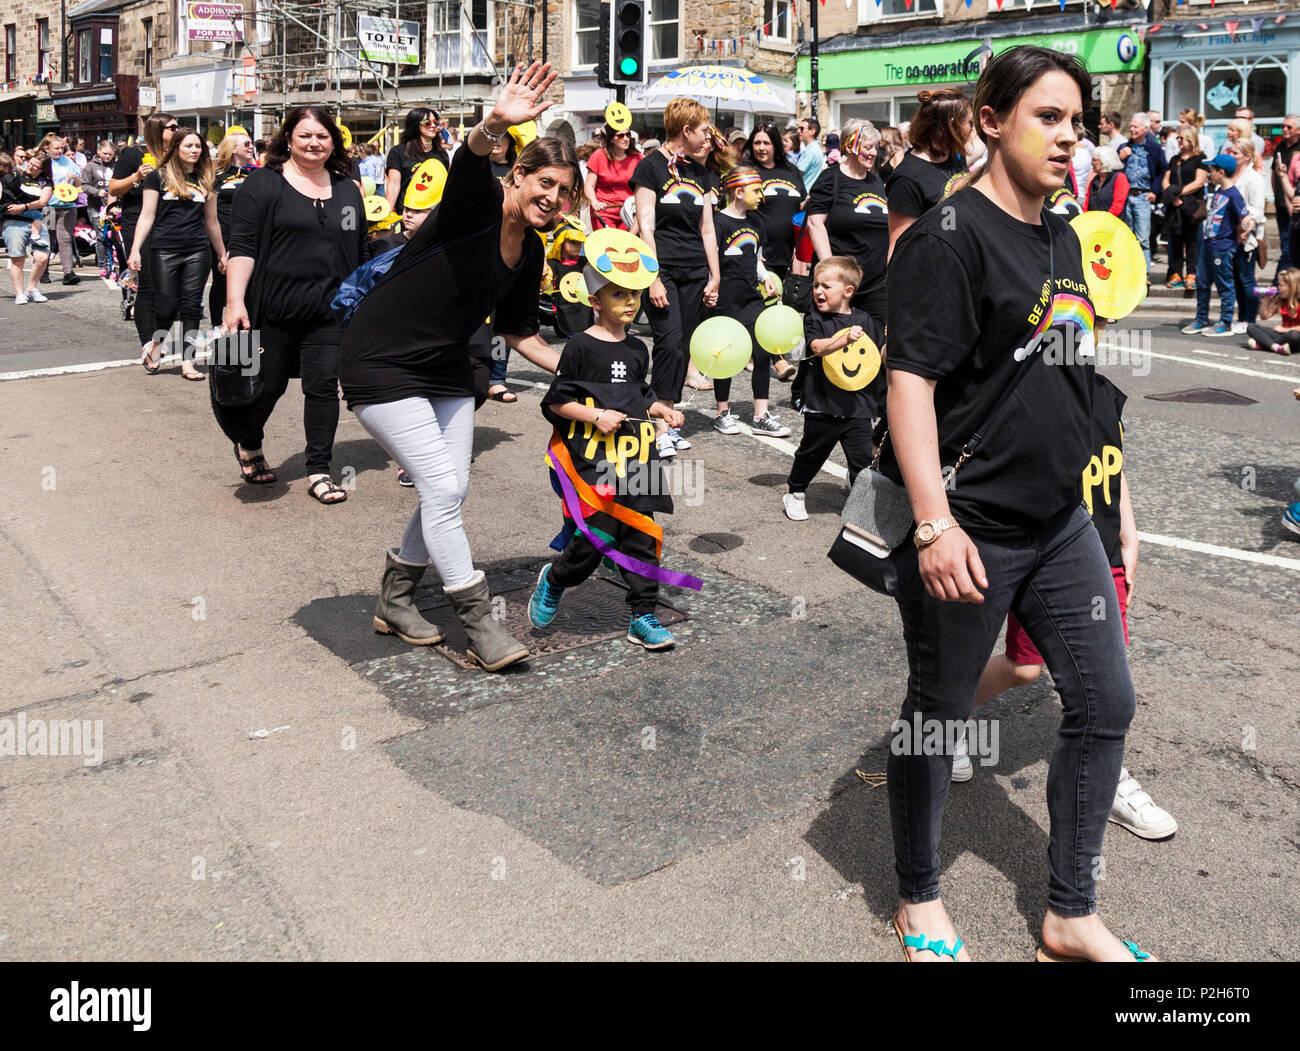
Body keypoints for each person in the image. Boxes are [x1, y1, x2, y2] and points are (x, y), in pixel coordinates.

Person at [881, 45, 1151, 963]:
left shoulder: (1065, 236)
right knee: (940, 708)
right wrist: (933, 523)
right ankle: (917, 892)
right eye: (1049, 116)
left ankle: (1070, 914)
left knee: (1105, 699)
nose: (1069, 137)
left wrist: (1114, 505)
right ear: (992, 120)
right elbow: (908, 383)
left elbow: (1078, 383)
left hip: (1064, 520)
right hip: (975, 526)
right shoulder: (946, 239)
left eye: (1078, 122)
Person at [338, 62, 573, 672]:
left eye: (565, 191)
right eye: (543, 181)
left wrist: (578, 367)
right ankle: (477, 619)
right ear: (517, 175)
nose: (552, 198)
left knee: (452, 488)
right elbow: (469, 163)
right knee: (441, 487)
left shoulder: (535, 250)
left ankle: (395, 599)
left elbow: (521, 331)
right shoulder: (476, 207)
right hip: (380, 358)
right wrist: (492, 122)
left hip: (445, 370)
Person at [957, 371, 1178, 840]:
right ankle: (945, 717)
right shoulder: (1031, 379)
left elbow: (1112, 457)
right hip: (1050, 547)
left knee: (1105, 687)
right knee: (1023, 668)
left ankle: (1109, 778)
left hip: (1104, 553)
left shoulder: (1101, 389)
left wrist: (1128, 530)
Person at [528, 234, 685, 650]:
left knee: (642, 538)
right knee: (595, 541)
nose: (631, 303)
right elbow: (558, 401)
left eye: (634, 294)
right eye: (619, 295)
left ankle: (643, 616)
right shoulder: (579, 346)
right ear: (595, 301)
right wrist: (595, 415)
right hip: (593, 460)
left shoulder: (638, 348)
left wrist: (661, 411)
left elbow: (639, 394)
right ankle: (556, 578)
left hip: (636, 458)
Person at [220, 106, 369, 500]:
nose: (314, 143)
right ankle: (249, 442)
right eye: (305, 135)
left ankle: (319, 470)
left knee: (322, 387)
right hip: (271, 308)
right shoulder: (263, 186)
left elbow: (360, 249)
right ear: (288, 139)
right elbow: (243, 246)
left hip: (328, 312)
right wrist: (234, 301)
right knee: (265, 387)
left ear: (333, 141)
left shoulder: (348, 190)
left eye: (322, 136)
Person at [631, 97, 720, 450]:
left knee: (683, 349)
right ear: (686, 131)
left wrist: (715, 276)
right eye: (703, 131)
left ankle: (667, 419)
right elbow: (646, 228)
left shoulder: (702, 173)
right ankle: (661, 425)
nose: (707, 137)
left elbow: (708, 230)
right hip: (662, 268)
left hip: (696, 271)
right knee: (667, 343)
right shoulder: (650, 168)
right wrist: (651, 277)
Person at [783, 255, 883, 523]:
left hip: (858, 404)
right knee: (812, 453)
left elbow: (877, 355)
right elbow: (817, 347)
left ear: (848, 291)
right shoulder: (815, 318)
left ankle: (861, 501)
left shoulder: (866, 320)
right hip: (823, 402)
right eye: (816, 285)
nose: (818, 291)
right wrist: (843, 338)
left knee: (863, 458)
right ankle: (796, 491)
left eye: (826, 286)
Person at [129, 128, 226, 379]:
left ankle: (188, 363)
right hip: (164, 249)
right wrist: (135, 249)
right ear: (176, 149)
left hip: (197, 250)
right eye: (189, 146)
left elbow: (212, 221)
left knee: (192, 307)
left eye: (198, 147)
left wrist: (222, 253)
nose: (194, 151)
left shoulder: (207, 179)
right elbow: (147, 215)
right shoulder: (157, 178)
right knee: (167, 307)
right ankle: (157, 346)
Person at [708, 166, 789, 438]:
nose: (761, 195)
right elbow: (711, 260)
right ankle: (722, 412)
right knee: (726, 356)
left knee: (763, 352)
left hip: (751, 298)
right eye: (756, 190)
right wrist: (711, 288)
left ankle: (760, 414)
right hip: (725, 300)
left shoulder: (756, 223)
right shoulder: (718, 223)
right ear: (738, 192)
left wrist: (765, 277)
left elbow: (756, 259)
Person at [806, 119, 890, 321]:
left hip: (875, 285)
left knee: (875, 345)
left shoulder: (876, 181)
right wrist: (831, 271)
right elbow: (815, 224)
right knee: (833, 345)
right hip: (838, 286)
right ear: (850, 147)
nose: (874, 153)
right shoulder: (830, 178)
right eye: (868, 147)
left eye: (876, 148)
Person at [109, 113, 178, 357]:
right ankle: (148, 342)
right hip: (138, 220)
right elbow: (114, 187)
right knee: (149, 282)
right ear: (157, 130)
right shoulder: (133, 154)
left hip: (170, 222)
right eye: (172, 127)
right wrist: (136, 176)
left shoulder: (176, 156)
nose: (176, 130)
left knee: (169, 285)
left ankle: (160, 337)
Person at [743, 121, 806, 383]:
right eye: (756, 142)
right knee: (768, 304)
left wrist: (799, 250)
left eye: (766, 142)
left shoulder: (792, 171)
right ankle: (776, 358)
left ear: (776, 145)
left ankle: (754, 351)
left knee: (775, 303)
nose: (761, 147)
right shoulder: (747, 172)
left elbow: (801, 208)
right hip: (758, 251)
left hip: (785, 252)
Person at [886, 89, 973, 255]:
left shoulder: (955, 157)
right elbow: (899, 247)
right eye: (969, 123)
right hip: (934, 274)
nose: (971, 128)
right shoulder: (907, 177)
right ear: (952, 124)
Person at [1181, 154, 1245, 338]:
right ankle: (1201, 318)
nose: (1209, 173)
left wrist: (1244, 231)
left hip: (1222, 247)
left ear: (1221, 172)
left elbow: (1244, 216)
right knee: (1202, 282)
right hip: (1208, 244)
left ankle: (1225, 322)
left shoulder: (1233, 194)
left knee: (1225, 284)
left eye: (1212, 170)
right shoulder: (1219, 191)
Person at [208, 129, 257, 327]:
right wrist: (220, 249)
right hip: (224, 235)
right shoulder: (216, 175)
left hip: (250, 236)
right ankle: (216, 327)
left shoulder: (256, 173)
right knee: (221, 284)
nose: (251, 146)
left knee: (250, 283)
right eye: (246, 144)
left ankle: (246, 325)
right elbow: (210, 214)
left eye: (251, 143)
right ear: (233, 148)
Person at [1225, 138, 1265, 335]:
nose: (1231, 156)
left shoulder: (1254, 179)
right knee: (1236, 279)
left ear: (1248, 156)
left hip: (1246, 237)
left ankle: (1250, 319)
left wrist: (1243, 223)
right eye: (1231, 152)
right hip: (1229, 236)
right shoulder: (1231, 175)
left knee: (1247, 279)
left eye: (1235, 153)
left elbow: (1257, 211)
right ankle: (1241, 317)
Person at [1, 151, 52, 303]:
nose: (31, 167)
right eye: (31, 163)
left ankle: (31, 289)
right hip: (14, 221)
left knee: (42, 257)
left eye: (36, 166)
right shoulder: (15, 174)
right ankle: (19, 293)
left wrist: (23, 207)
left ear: (42, 169)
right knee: (18, 259)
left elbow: (43, 202)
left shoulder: (46, 182)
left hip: (36, 219)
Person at [1117, 113, 1163, 280]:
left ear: (1145, 128)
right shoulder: (1124, 147)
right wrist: (1120, 158)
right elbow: (1114, 169)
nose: (1132, 129)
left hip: (1143, 196)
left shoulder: (1154, 148)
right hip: (1126, 196)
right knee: (1127, 236)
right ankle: (1129, 273)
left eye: (1135, 127)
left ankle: (1144, 274)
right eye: (1131, 126)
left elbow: (1162, 171)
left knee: (1143, 237)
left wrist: (1155, 191)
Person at [1161, 129, 1206, 290]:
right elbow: (1165, 180)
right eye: (1178, 138)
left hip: (1190, 205)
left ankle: (1192, 274)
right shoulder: (1174, 159)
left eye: (1182, 138)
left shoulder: (1200, 159)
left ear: (1191, 140)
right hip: (1174, 205)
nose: (1179, 141)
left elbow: (1199, 182)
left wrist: (1178, 193)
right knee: (1175, 240)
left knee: (1192, 241)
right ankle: (1176, 272)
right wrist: (1172, 196)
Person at [385, 107, 449, 214]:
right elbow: (394, 184)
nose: (433, 126)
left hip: (434, 214)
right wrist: (386, 215)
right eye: (428, 122)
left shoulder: (441, 153)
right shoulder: (398, 152)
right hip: (409, 213)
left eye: (435, 122)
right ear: (415, 125)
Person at [585, 121, 640, 230]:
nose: (626, 138)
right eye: (620, 136)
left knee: (625, 245)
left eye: (628, 134)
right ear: (611, 139)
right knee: (608, 245)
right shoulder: (598, 156)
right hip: (604, 212)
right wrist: (594, 202)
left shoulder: (637, 157)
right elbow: (588, 186)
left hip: (629, 210)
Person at [42, 135, 82, 284]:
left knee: (65, 239)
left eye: (61, 148)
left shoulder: (69, 162)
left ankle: (68, 273)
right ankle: (42, 270)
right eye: (56, 148)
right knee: (48, 239)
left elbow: (79, 184)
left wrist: (74, 178)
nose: (59, 151)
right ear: (47, 149)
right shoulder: (44, 163)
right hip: (49, 207)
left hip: (67, 207)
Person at [81, 140, 116, 278]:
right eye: (105, 153)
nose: (107, 156)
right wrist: (97, 192)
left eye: (110, 154)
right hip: (96, 206)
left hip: (113, 206)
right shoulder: (90, 167)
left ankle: (113, 262)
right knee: (102, 235)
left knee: (113, 235)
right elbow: (84, 185)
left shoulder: (116, 166)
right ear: (99, 151)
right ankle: (103, 265)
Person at [1245, 268, 1300, 355]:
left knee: (1293, 335)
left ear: (1292, 287)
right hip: (1282, 335)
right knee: (1251, 327)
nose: (1278, 287)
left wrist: (1285, 329)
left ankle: (1264, 345)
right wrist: (1267, 299)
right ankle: (1276, 347)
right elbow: (1264, 316)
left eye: (1281, 285)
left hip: (1294, 335)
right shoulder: (1280, 299)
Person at [1271, 115, 1300, 275]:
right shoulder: (1280, 146)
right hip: (1282, 203)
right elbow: (1275, 174)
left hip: (1295, 208)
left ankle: (1280, 282)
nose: (1284, 130)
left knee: (1290, 246)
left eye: (1289, 127)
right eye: (1283, 126)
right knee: (1286, 243)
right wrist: (1277, 195)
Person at [1083, 146, 1128, 216]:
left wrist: (1103, 220)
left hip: (1111, 223)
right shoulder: (1095, 179)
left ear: (1105, 161)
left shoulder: (1119, 178)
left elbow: (1117, 206)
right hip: (1093, 221)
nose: (1091, 163)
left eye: (1094, 160)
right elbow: (1087, 203)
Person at [794, 117, 825, 194]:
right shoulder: (814, 149)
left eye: (801, 128)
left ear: (812, 131)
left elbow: (796, 174)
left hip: (804, 194)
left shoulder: (811, 151)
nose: (798, 131)